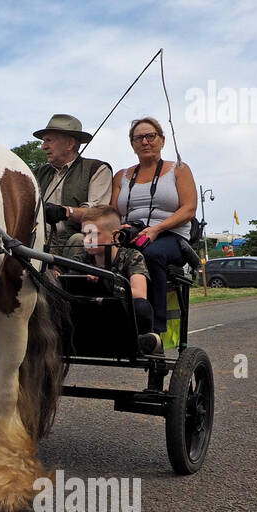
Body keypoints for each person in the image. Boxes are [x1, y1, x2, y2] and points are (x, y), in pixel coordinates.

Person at [110, 117, 198, 335]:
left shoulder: (178, 169)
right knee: (100, 253)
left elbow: (189, 209)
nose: (145, 142)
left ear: (162, 140)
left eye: (151, 136)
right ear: (132, 144)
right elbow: (113, 213)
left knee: (151, 254)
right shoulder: (121, 176)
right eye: (138, 138)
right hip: (132, 236)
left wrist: (156, 229)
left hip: (171, 235)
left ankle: (153, 331)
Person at [62, 205, 160, 354]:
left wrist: (105, 283)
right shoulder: (81, 259)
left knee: (142, 307)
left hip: (121, 319)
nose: (86, 240)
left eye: (93, 234)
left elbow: (140, 294)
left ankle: (139, 341)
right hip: (92, 318)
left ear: (116, 236)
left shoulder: (132, 256)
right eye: (84, 234)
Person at [32, 113, 113, 255]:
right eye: (43, 141)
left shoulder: (96, 169)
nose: (43, 147)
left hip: (81, 238)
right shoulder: (37, 174)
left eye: (49, 140)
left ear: (70, 144)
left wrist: (65, 211)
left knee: (78, 239)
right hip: (40, 239)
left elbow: (97, 215)